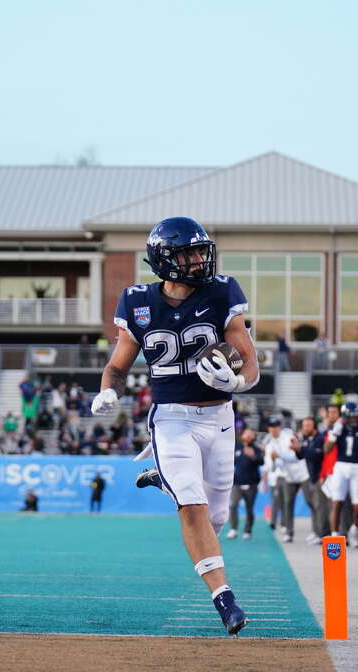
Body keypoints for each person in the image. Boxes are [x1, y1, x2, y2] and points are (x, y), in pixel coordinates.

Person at [92, 217, 260, 635]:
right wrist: (108, 391)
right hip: (171, 419)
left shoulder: (222, 292)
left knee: (216, 516)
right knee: (192, 504)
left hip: (219, 419)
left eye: (201, 250)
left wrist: (237, 382)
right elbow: (117, 364)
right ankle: (225, 600)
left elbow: (251, 363)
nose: (199, 259)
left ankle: (164, 477)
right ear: (164, 260)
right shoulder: (137, 302)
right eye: (188, 252)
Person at [326, 401, 358, 546]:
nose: (353, 420)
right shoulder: (338, 428)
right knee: (337, 502)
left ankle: (354, 529)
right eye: (350, 417)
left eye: (355, 416)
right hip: (341, 466)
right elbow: (326, 450)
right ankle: (334, 534)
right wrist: (334, 434)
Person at [263, 415, 303, 543]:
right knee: (287, 502)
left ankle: (320, 531)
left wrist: (278, 456)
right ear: (268, 428)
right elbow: (271, 466)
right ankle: (288, 531)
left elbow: (294, 456)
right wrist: (275, 460)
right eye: (271, 427)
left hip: (301, 473)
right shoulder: (270, 444)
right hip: (286, 476)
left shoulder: (287, 436)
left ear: (279, 427)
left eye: (276, 426)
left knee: (312, 502)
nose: (274, 429)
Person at [294, 416, 331, 544]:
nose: (305, 428)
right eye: (304, 426)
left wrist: (301, 449)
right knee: (314, 505)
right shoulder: (306, 438)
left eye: (308, 425)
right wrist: (297, 449)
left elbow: (317, 455)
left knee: (321, 507)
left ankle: (323, 534)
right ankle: (316, 531)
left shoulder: (319, 439)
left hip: (321, 477)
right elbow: (301, 456)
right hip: (312, 476)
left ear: (314, 427)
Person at [226, 427, 264, 540]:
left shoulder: (256, 449)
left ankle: (248, 531)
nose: (248, 436)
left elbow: (262, 462)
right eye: (246, 433)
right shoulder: (237, 447)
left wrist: (253, 456)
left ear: (254, 437)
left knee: (249, 508)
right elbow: (230, 462)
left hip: (251, 483)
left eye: (251, 434)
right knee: (233, 506)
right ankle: (233, 529)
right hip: (237, 483)